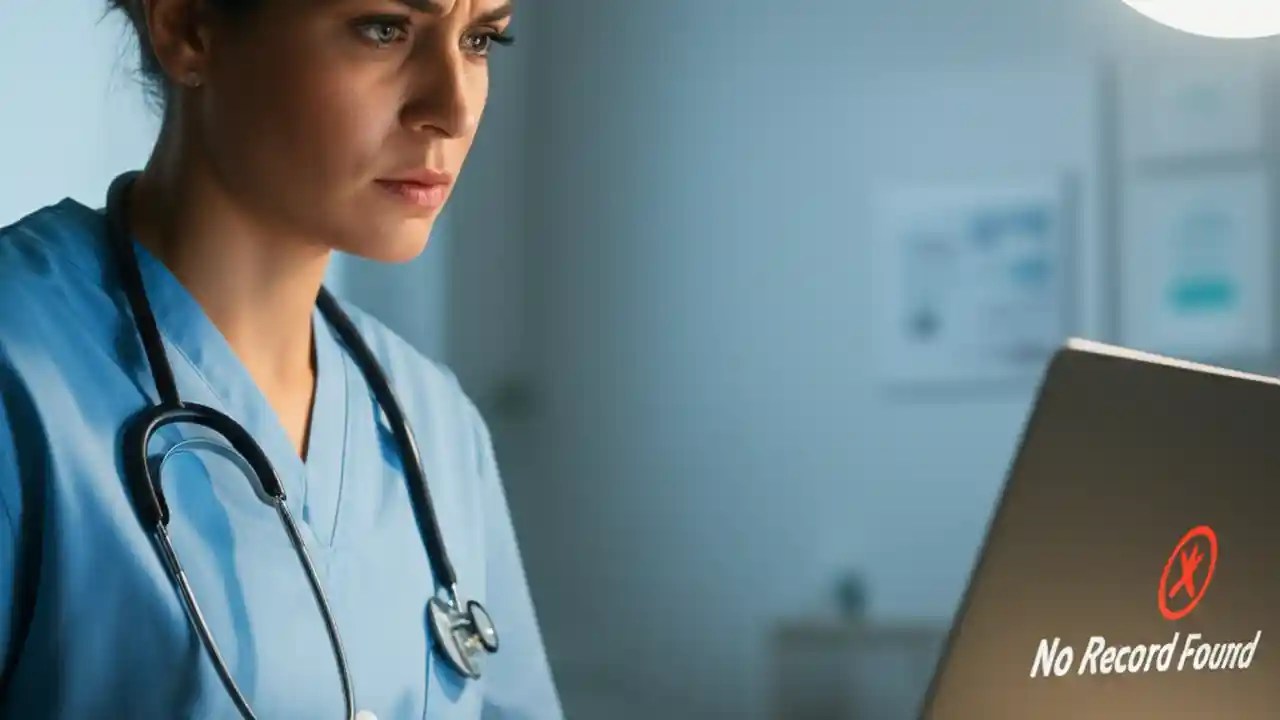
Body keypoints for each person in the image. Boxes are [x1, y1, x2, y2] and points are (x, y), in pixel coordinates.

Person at [0, 0, 563, 717]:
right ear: (189, 28)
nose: (451, 110)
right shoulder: (20, 372)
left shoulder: (433, 422)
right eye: (384, 29)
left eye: (481, 40)